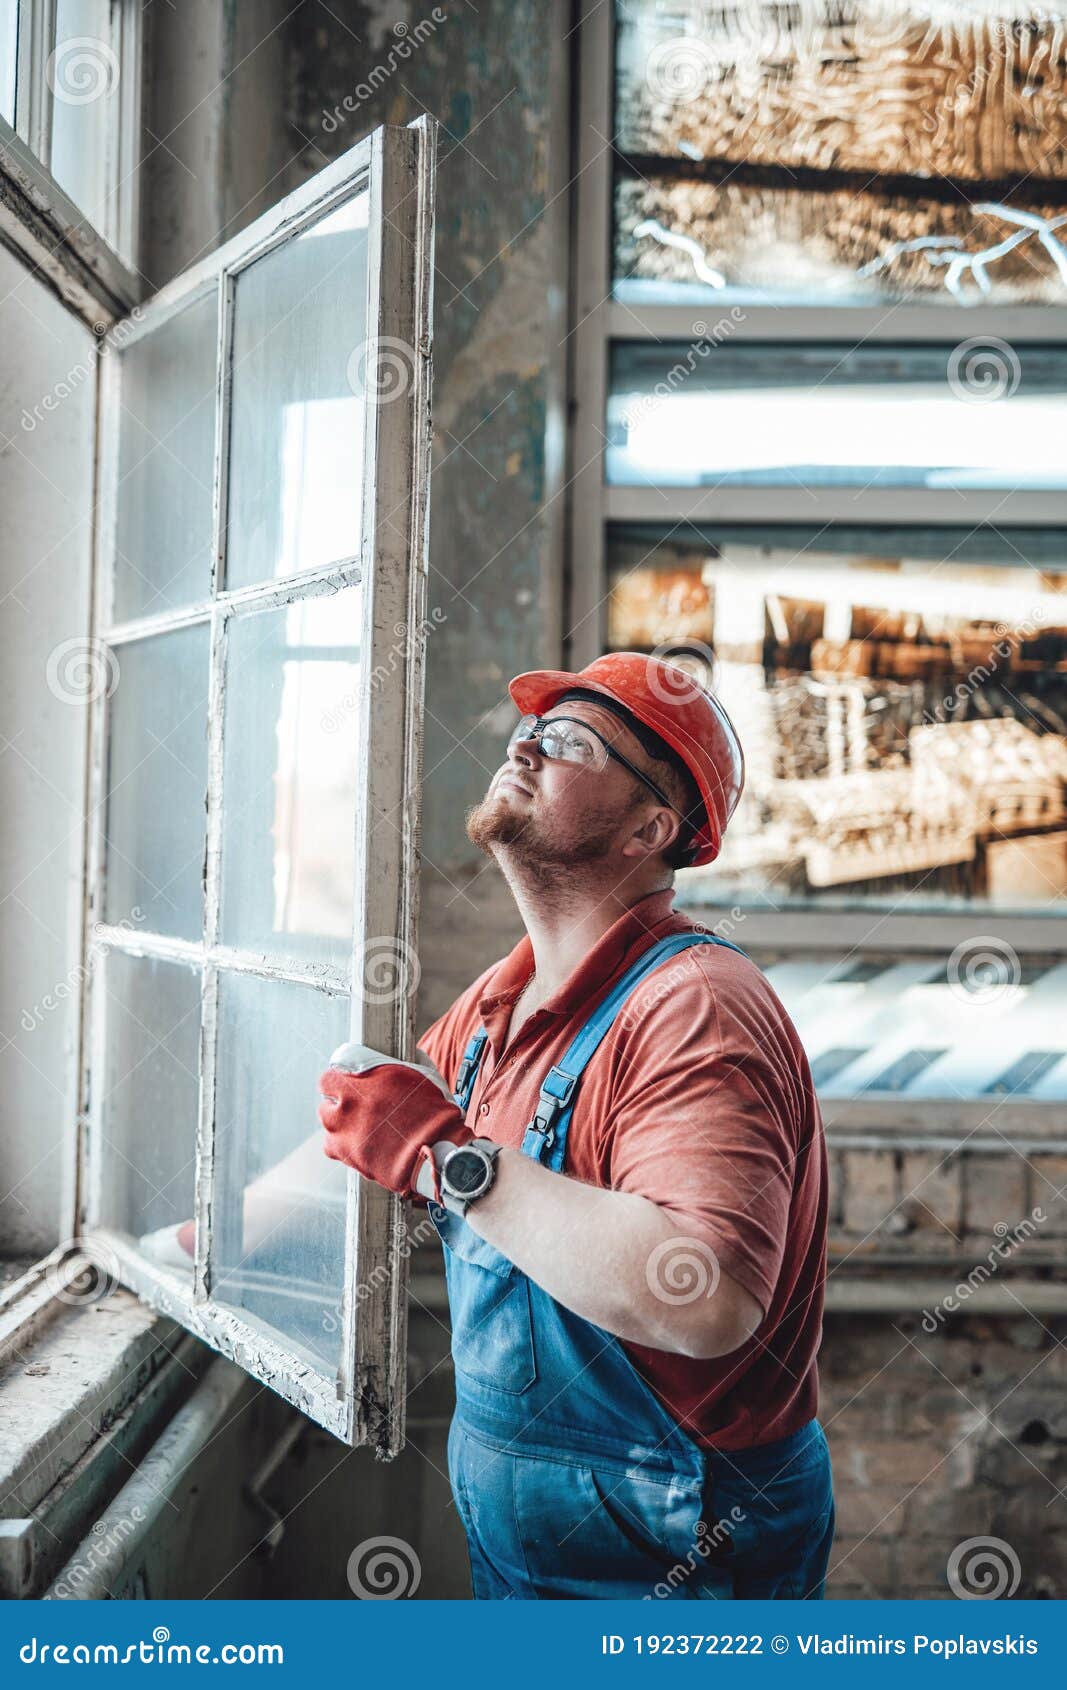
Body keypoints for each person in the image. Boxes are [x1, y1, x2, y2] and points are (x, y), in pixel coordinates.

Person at [318, 653, 833, 1600]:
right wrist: (209, 1241)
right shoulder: (502, 1000)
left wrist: (444, 1162)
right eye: (530, 728)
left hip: (676, 1541)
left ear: (650, 827)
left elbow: (704, 1296)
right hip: (534, 1530)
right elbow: (377, 1118)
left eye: (570, 741)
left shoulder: (694, 1007)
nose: (526, 743)